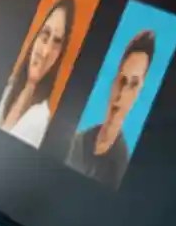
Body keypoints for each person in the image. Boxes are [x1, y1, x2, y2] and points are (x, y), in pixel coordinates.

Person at [64, 30, 156, 189]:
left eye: (133, 85)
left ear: (138, 93)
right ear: (114, 81)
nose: (121, 94)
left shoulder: (121, 171)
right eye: (122, 80)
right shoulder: (78, 140)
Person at [0, 0, 76, 148]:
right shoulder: (5, 86)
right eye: (45, 35)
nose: (45, 52)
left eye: (56, 42)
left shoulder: (41, 119)